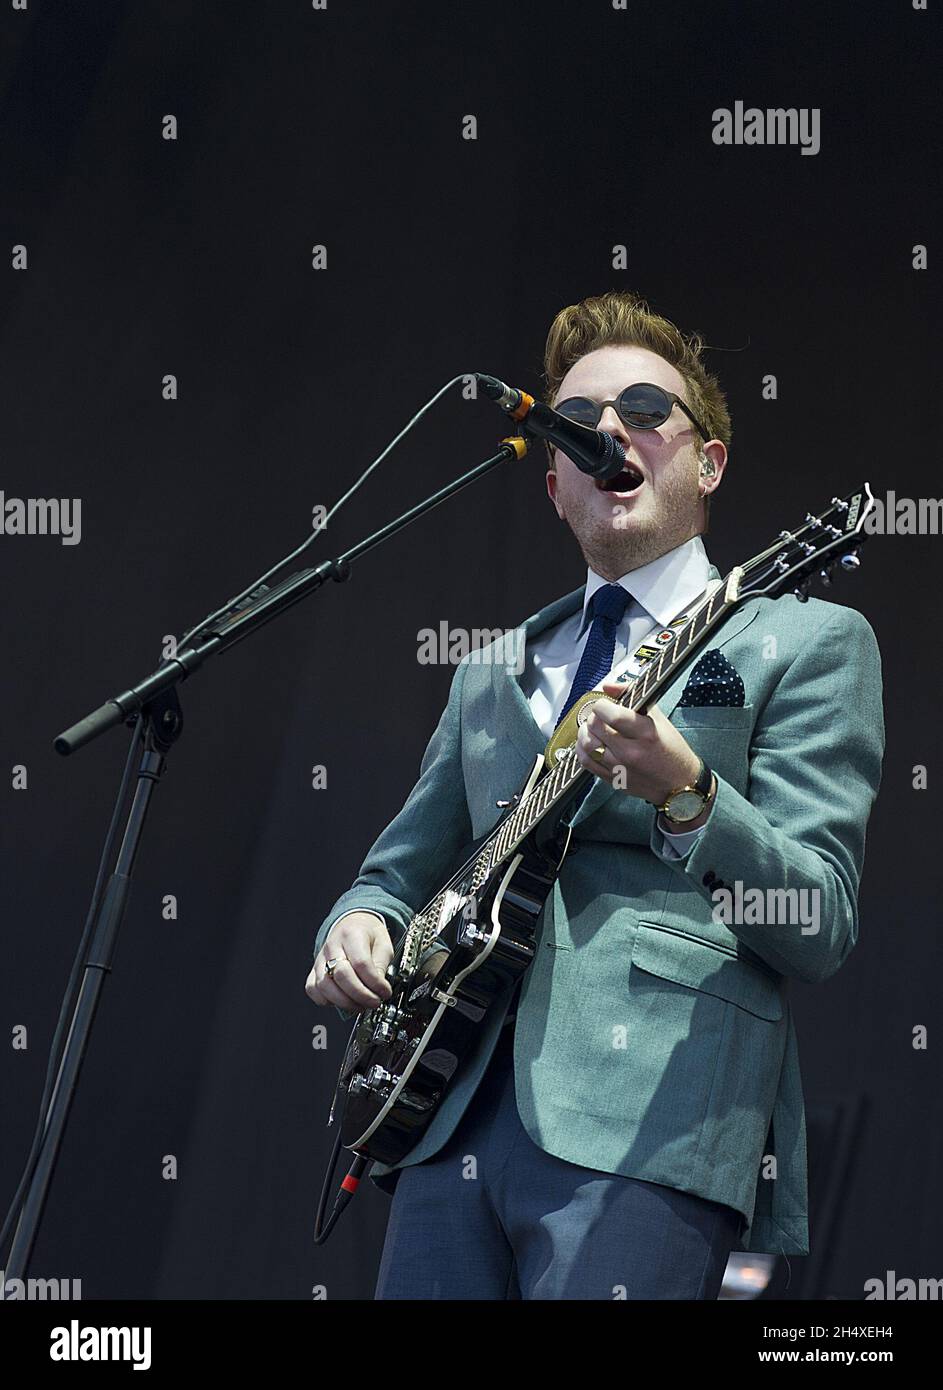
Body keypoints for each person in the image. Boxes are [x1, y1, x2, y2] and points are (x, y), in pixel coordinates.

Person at [305, 290, 884, 1299]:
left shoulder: (800, 641)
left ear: (706, 462)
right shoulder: (491, 673)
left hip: (649, 1123)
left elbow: (819, 919)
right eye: (580, 425)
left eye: (647, 410)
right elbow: (393, 874)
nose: (610, 432)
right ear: (556, 488)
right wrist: (357, 921)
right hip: (443, 1120)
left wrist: (690, 793)